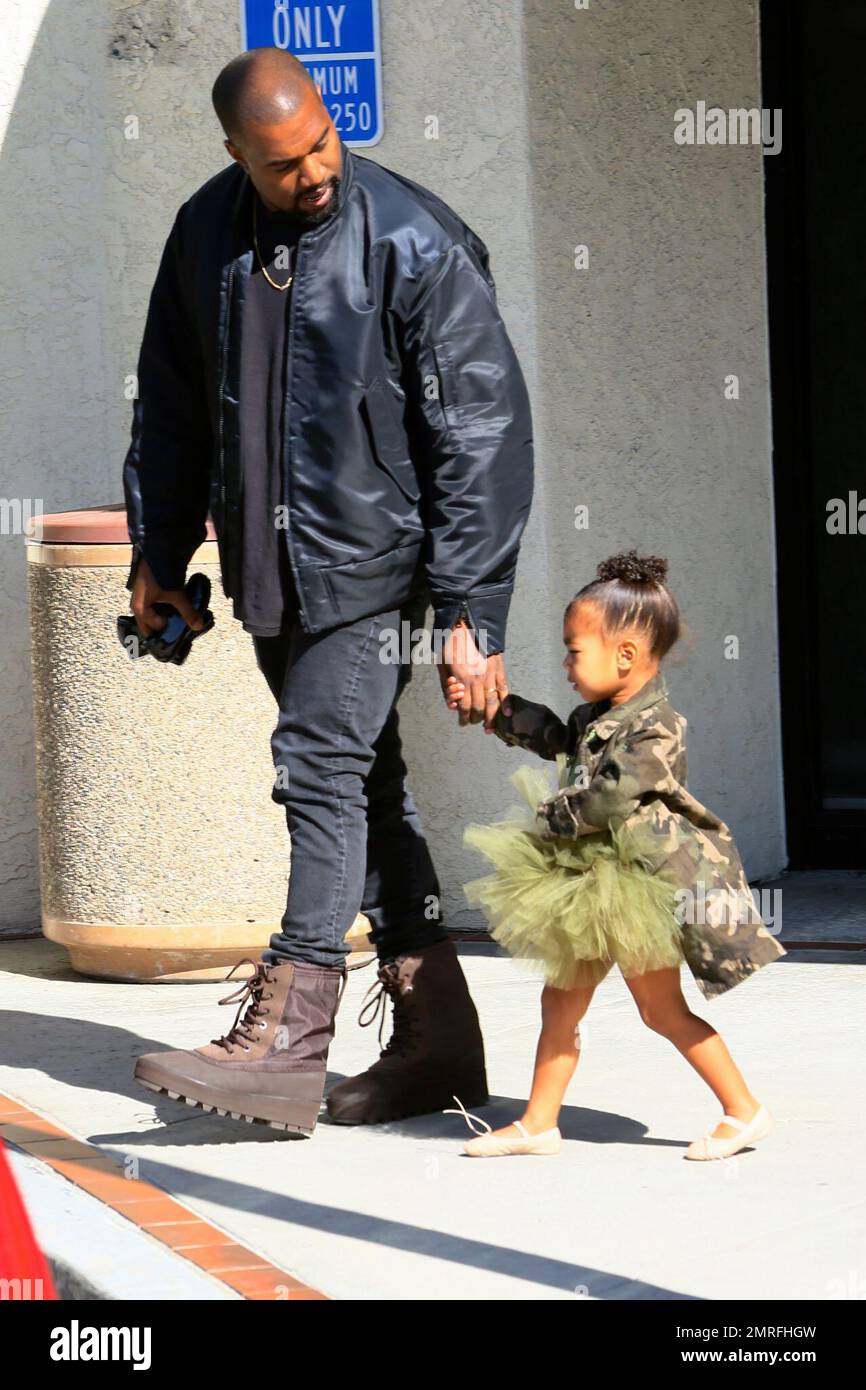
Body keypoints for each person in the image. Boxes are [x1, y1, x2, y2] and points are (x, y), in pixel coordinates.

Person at [124, 47, 534, 1136]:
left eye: (320, 145)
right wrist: (159, 552)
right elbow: (169, 403)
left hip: (371, 560)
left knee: (316, 766)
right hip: (266, 571)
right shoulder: (205, 231)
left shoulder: (411, 237)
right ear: (234, 155)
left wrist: (469, 613)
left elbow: (478, 437)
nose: (312, 172)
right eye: (281, 162)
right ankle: (437, 1041)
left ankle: (286, 1032)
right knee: (368, 786)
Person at [442, 551, 786, 1160]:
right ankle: (540, 1122)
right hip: (588, 884)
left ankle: (744, 1110)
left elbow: (610, 799)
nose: (567, 664)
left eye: (575, 651)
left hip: (633, 888)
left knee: (661, 1012)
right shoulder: (596, 715)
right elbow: (556, 738)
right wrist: (500, 710)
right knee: (559, 1001)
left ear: (624, 655)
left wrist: (548, 820)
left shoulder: (658, 727)